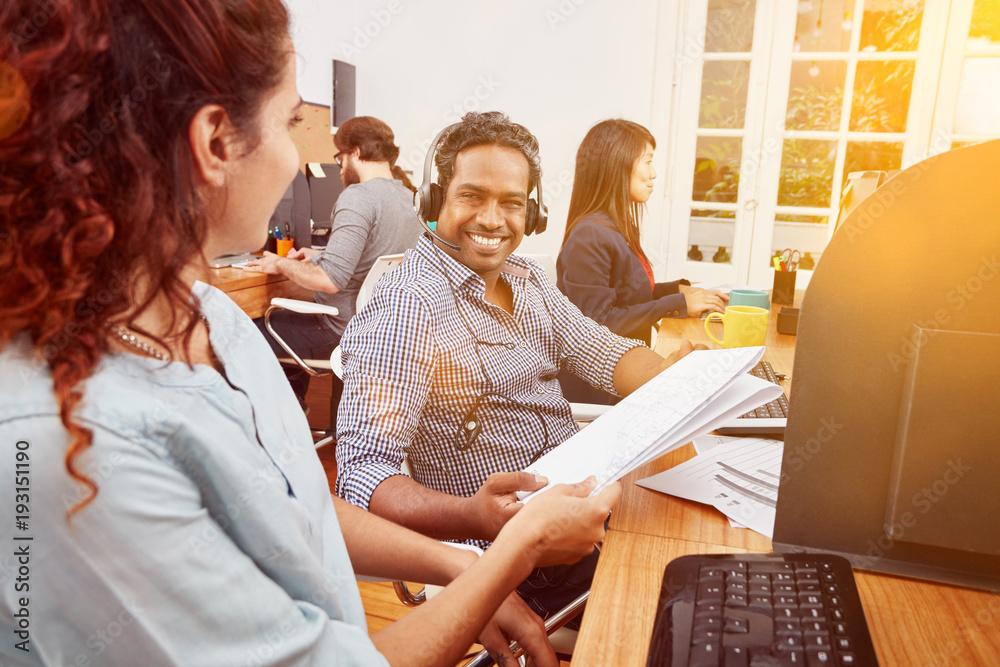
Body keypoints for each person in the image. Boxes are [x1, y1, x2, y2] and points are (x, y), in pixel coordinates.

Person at [0, 3, 621, 666]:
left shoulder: (215, 320)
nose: (300, 156)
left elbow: (295, 512)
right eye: (291, 121)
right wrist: (519, 546)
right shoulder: (71, 447)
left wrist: (459, 561)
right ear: (215, 143)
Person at [336, 111, 705, 626]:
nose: (492, 219)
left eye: (511, 203)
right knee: (685, 619)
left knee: (712, 564)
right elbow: (363, 475)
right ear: (433, 199)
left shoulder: (526, 280)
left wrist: (679, 374)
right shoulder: (410, 305)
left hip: (585, 507)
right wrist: (473, 519)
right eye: (471, 196)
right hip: (523, 557)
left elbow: (606, 352)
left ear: (532, 213)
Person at [245, 115, 422, 403]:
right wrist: (322, 254)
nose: (340, 169)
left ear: (356, 152)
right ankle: (296, 417)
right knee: (283, 324)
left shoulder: (359, 196)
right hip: (379, 331)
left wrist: (280, 263)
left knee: (244, 333)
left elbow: (329, 280)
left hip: (338, 332)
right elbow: (375, 254)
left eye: (340, 158)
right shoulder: (408, 196)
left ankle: (280, 427)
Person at [555, 119, 728, 403]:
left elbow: (625, 296)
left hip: (625, 376)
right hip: (600, 390)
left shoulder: (612, 227)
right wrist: (678, 305)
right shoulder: (590, 235)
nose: (654, 173)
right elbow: (599, 324)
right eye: (647, 161)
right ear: (616, 165)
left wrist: (678, 291)